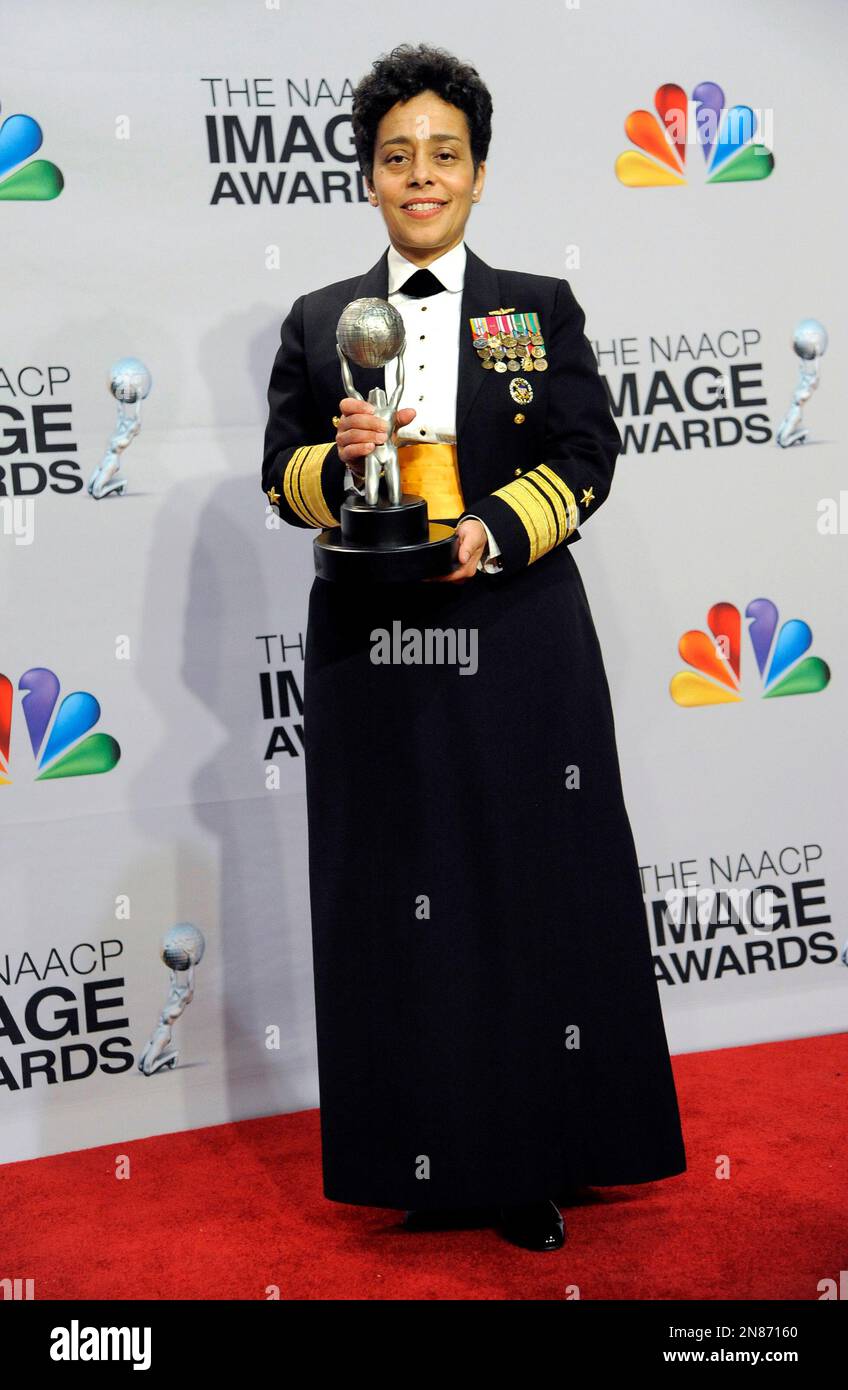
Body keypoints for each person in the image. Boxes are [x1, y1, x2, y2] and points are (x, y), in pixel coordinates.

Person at [261, 43, 686, 1252]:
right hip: (370, 647)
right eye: (396, 156)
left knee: (523, 892)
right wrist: (339, 465)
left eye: (443, 153)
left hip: (514, 637)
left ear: (479, 172)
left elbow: (586, 454)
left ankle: (527, 1160)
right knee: (391, 902)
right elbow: (277, 478)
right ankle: (417, 1153)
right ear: (368, 178)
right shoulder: (317, 322)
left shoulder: (533, 308)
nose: (421, 175)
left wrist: (491, 533)